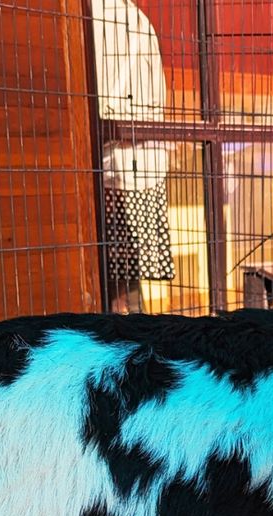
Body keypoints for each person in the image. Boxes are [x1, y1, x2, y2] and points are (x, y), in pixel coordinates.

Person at [90, 0, 175, 313]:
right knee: (130, 266)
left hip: (112, 161)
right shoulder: (137, 18)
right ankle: (134, 325)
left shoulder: (90, 16)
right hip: (144, 157)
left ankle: (121, 325)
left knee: (113, 270)